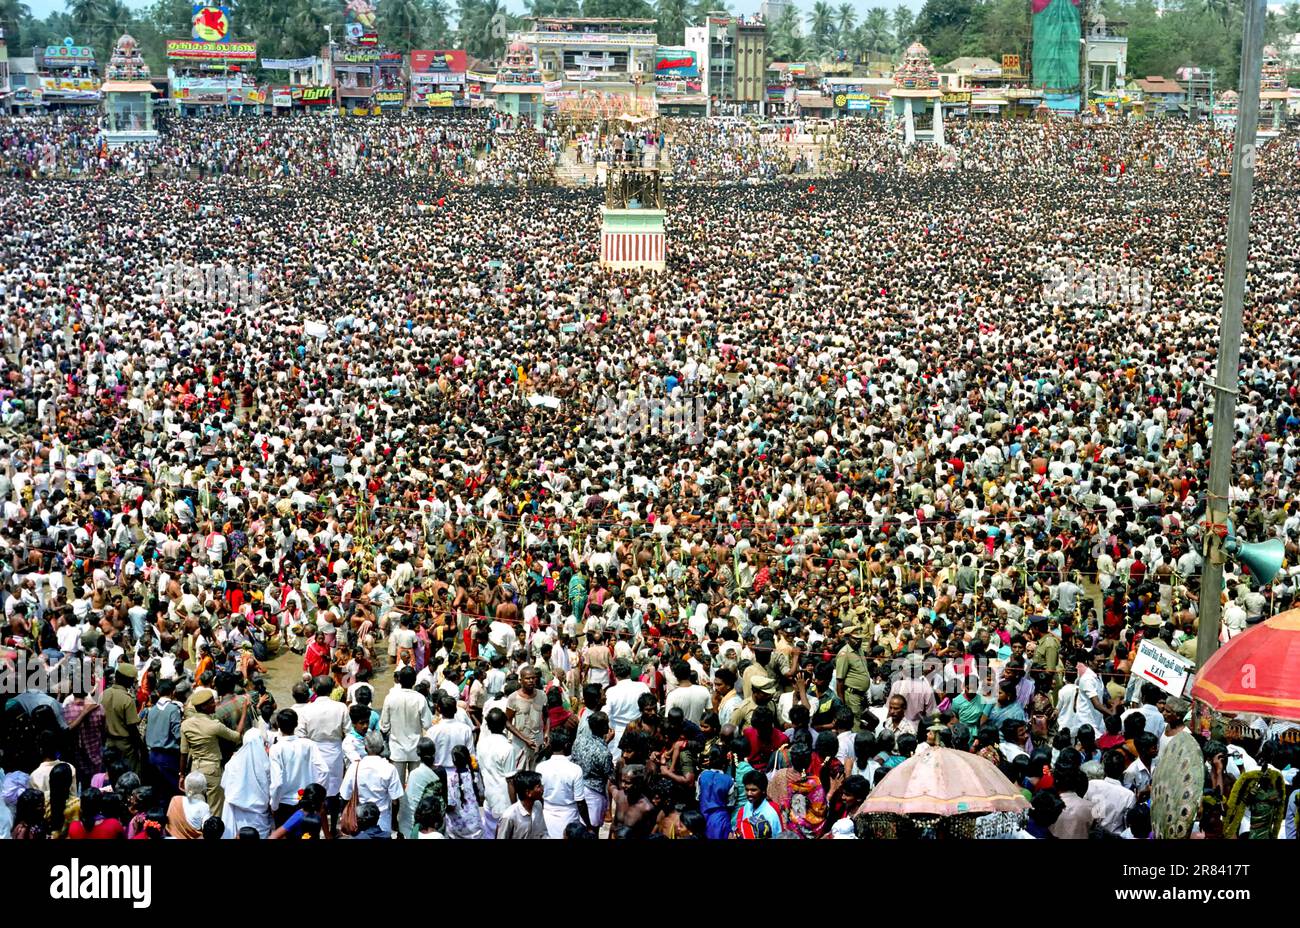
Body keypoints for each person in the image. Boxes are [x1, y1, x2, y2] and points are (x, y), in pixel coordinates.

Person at [179, 687, 245, 816]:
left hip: (195, 770)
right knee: (214, 809)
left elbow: (184, 752)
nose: (215, 703)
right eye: (211, 702)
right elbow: (236, 737)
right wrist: (243, 713)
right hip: (212, 770)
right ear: (204, 707)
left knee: (196, 808)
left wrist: (181, 775)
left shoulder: (185, 724)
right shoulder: (214, 725)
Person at [268, 708, 329, 826]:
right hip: (307, 803)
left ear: (279, 726)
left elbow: (277, 783)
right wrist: (317, 796)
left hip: (284, 805)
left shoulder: (276, 748)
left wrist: (274, 805)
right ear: (296, 724)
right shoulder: (308, 744)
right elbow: (324, 771)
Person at [339, 731, 404, 838]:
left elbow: (345, 796)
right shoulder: (390, 769)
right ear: (382, 748)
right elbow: (395, 801)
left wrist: (345, 816)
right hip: (383, 820)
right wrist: (394, 821)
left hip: (359, 820)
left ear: (365, 748)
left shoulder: (355, 767)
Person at [380, 665, 432, 787]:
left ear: (399, 680)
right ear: (414, 681)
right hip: (415, 749)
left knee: (397, 787)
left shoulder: (390, 698)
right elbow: (428, 724)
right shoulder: (420, 698)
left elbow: (384, 726)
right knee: (415, 786)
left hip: (397, 750)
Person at [537, 728, 591, 838]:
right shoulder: (575, 769)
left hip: (547, 817)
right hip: (569, 818)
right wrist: (588, 825)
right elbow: (580, 802)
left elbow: (539, 797)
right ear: (567, 745)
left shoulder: (540, 767)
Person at [220, 728, 273, 839]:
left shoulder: (233, 762)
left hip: (238, 813)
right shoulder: (266, 764)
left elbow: (224, 784)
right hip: (260, 815)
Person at [443, 744, 485, 838]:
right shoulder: (475, 776)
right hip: (476, 828)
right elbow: (481, 795)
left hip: (457, 831)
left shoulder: (450, 780)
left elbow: (451, 805)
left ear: (453, 761)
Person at [495, 769, 547, 839]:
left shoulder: (538, 806)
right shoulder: (509, 816)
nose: (542, 789)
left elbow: (543, 833)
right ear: (528, 793)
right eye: (538, 787)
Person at [732, 769, 782, 838]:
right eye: (747, 790)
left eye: (753, 790)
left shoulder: (771, 814)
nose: (749, 793)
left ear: (763, 791)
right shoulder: (747, 805)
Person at [167, 772, 210, 839]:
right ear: (203, 788)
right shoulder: (204, 807)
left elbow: (169, 824)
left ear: (185, 786)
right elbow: (208, 832)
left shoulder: (175, 799)